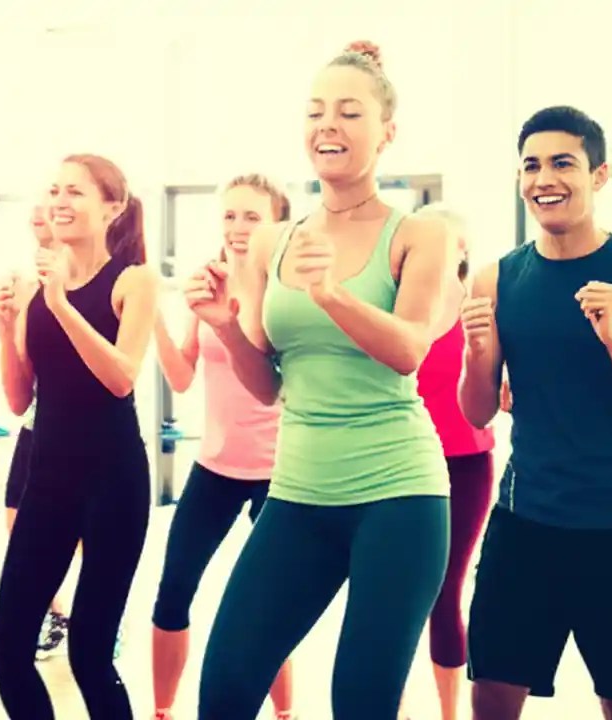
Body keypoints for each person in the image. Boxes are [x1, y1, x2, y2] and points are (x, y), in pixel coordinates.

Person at [188, 41, 455, 719]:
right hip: (300, 491)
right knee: (222, 692)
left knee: (360, 703)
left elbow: (409, 351)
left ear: (386, 132)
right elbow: (268, 384)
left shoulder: (418, 233)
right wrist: (224, 324)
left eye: (348, 112)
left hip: (399, 494)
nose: (327, 125)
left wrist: (332, 292)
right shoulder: (275, 240)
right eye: (315, 112)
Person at [459, 106, 612, 720]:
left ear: (599, 175)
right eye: (531, 165)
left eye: (563, 162)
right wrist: (477, 352)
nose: (545, 178)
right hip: (524, 524)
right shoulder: (496, 278)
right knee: (490, 702)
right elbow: (478, 412)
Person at [0, 153, 157, 719]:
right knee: (6, 650)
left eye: (75, 192)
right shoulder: (39, 291)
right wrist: (5, 327)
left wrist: (59, 301)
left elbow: (121, 377)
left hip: (114, 485)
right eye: (54, 190)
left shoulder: (133, 281)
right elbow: (18, 399)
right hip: (48, 483)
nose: (59, 201)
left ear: (112, 207)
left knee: (89, 655)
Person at [149, 173, 296, 720]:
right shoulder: (207, 284)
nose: (237, 228)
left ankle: (284, 713)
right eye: (230, 216)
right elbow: (183, 377)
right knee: (172, 594)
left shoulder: (285, 289)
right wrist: (154, 326)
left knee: (272, 607)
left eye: (251, 217)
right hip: (213, 467)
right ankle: (162, 712)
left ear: (277, 224)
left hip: (280, 474)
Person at [410, 203, 496, 720]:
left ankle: (449, 714)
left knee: (445, 593)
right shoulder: (403, 308)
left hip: (465, 465)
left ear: (462, 251)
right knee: (396, 598)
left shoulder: (479, 308)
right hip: (404, 462)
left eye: (451, 240)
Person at [1, 203, 74, 662]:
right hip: (35, 427)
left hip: (82, 433)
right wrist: (5, 325)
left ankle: (101, 612)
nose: (39, 212)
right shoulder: (23, 281)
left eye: (55, 204)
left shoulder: (92, 278)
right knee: (16, 522)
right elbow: (18, 394)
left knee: (87, 535)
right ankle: (59, 613)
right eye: (39, 203)